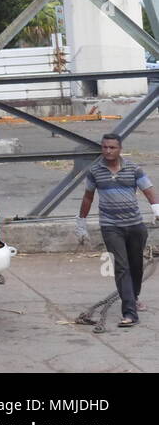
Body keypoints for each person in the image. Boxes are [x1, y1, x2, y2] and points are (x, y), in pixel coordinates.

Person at [75, 133, 158, 327]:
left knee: (136, 265)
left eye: (112, 147)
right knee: (122, 267)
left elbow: (148, 190)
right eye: (104, 147)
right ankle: (129, 313)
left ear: (120, 149)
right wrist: (81, 222)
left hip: (135, 225)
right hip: (111, 227)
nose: (108, 151)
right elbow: (88, 197)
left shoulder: (133, 169)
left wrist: (156, 208)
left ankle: (133, 296)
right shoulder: (95, 171)